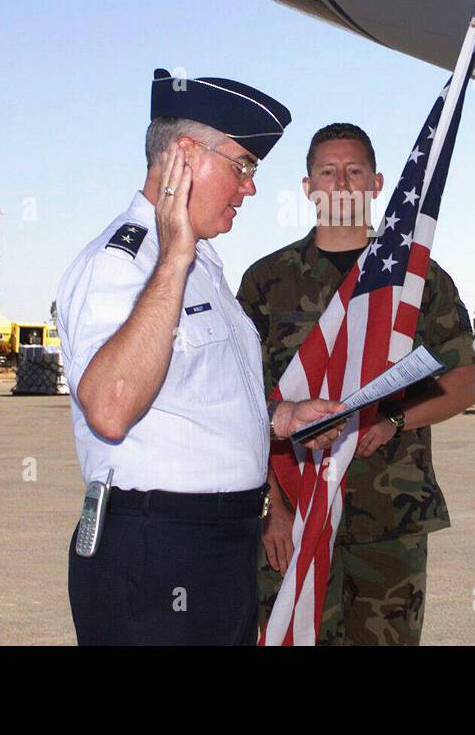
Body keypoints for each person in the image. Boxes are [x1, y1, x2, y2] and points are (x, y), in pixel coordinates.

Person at [56, 69, 344, 646]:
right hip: (158, 551)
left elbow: (191, 396)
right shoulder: (126, 263)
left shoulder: (203, 264)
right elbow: (110, 408)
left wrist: (279, 419)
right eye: (242, 166)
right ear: (184, 157)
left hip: (220, 546)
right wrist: (173, 260)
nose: (250, 188)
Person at [237, 123, 475, 645]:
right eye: (328, 172)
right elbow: (244, 403)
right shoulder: (267, 280)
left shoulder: (418, 280)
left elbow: (466, 381)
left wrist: (395, 420)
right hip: (294, 515)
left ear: (377, 184)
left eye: (354, 171)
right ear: (308, 188)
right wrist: (271, 510)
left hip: (388, 521)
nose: (342, 182)